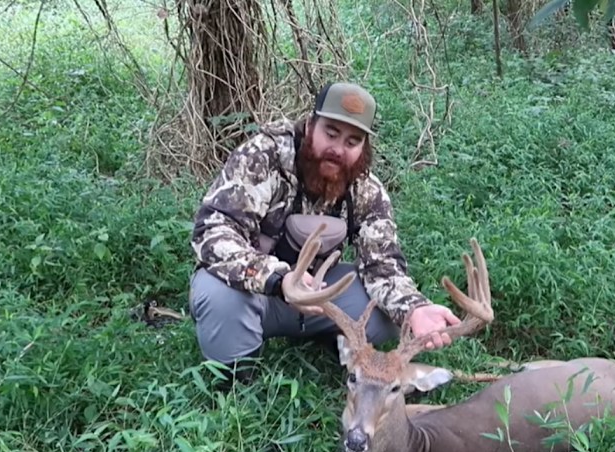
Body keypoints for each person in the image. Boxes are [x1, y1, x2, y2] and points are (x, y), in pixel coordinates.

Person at [188, 82, 461, 386]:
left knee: (388, 316)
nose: (338, 149)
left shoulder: (366, 189)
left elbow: (382, 266)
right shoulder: (262, 157)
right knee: (218, 294)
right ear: (311, 125)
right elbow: (212, 231)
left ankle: (332, 338)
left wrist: (414, 308)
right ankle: (235, 380)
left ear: (363, 147)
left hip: (318, 299)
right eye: (331, 133)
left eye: (352, 141)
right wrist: (278, 278)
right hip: (256, 294)